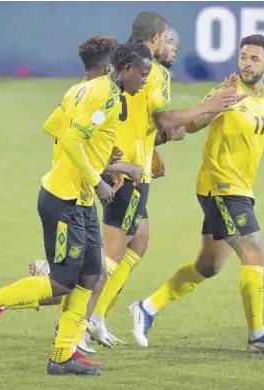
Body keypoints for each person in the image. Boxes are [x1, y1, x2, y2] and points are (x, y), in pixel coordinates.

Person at [129, 34, 264, 354]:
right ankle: (257, 335)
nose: (246, 63)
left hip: (240, 190)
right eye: (243, 56)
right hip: (220, 186)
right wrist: (217, 105)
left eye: (254, 58)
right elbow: (192, 125)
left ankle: (146, 308)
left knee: (208, 266)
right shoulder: (226, 91)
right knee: (254, 252)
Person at [0, 42, 154, 377]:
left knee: (92, 275)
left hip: (79, 198)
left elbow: (53, 126)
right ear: (126, 69)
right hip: (64, 199)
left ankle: (62, 356)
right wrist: (98, 179)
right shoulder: (106, 95)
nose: (145, 81)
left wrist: (102, 159)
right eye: (143, 74)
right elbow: (73, 139)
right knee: (62, 282)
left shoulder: (80, 89)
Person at [87, 11, 242, 348]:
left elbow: (138, 122)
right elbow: (164, 120)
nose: (173, 48)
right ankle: (75, 322)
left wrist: (156, 145)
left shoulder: (118, 64)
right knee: (108, 255)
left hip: (113, 163)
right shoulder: (153, 71)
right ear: (156, 37)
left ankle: (95, 316)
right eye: (171, 41)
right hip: (125, 173)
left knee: (139, 240)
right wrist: (209, 106)